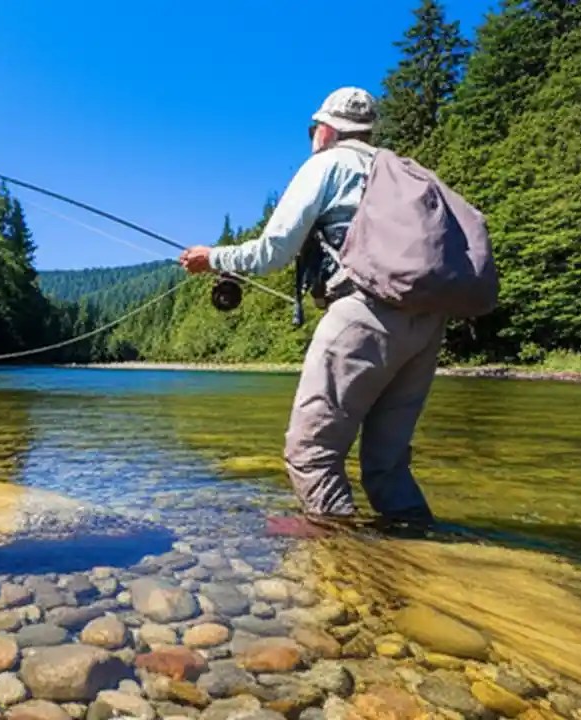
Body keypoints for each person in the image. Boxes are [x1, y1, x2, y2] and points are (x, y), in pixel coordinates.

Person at [178, 87, 445, 532]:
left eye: (311, 130)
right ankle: (421, 560)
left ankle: (343, 562)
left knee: (311, 454)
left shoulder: (328, 163)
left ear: (324, 130)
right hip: (427, 321)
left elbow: (273, 252)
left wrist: (213, 258)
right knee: (388, 465)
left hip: (363, 314)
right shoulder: (403, 171)